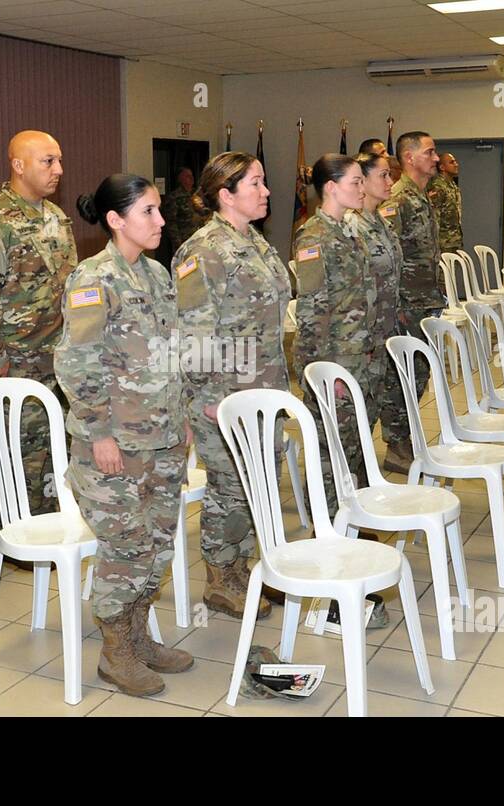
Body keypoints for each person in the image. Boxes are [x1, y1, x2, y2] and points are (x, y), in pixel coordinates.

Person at [56, 173, 194, 697]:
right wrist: (98, 433)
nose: (161, 221)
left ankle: (138, 636)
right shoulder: (94, 280)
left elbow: (169, 356)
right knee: (127, 546)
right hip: (112, 444)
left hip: (160, 437)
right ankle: (115, 652)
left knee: (158, 543)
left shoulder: (157, 275)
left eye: (160, 211)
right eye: (149, 213)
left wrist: (179, 416)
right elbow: (76, 362)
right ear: (116, 221)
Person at [174, 151, 290, 620]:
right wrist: (208, 397)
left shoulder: (254, 242)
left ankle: (243, 566)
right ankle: (221, 577)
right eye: (256, 184)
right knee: (230, 488)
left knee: (256, 483)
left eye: (263, 183)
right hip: (223, 396)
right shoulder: (204, 251)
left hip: (263, 390)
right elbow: (192, 332)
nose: (266, 192)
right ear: (226, 194)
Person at [0, 130, 78, 521]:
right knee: (23, 451)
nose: (58, 170)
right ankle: (18, 529)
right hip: (17, 360)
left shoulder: (57, 218)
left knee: (58, 445)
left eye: (59, 160)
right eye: (48, 161)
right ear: (18, 165)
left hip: (58, 357)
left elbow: (71, 285)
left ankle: (52, 521)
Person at [292, 154, 374, 513]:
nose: (362, 188)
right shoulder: (313, 237)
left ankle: (346, 516)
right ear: (330, 187)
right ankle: (323, 523)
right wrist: (322, 372)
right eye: (355, 182)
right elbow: (311, 312)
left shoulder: (348, 229)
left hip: (357, 355)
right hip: (333, 361)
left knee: (351, 444)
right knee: (329, 446)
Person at [382, 130, 441, 473]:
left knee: (418, 374)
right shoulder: (399, 199)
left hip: (423, 301)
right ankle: (396, 443)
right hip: (406, 305)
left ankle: (406, 436)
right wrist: (398, 307)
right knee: (401, 375)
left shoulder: (421, 196)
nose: (435, 158)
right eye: (430, 152)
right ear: (410, 158)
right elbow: (390, 257)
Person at [346, 152, 407, 473]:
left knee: (368, 415)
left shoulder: (379, 221)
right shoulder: (350, 227)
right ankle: (339, 495)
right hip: (361, 341)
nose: (390, 181)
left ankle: (359, 484)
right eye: (382, 175)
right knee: (351, 425)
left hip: (382, 334)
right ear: (363, 181)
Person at [162, 166, 206, 258]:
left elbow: (207, 215)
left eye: (192, 175)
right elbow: (171, 223)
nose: (192, 178)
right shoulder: (174, 197)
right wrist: (178, 244)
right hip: (185, 241)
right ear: (180, 179)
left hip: (201, 241)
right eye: (187, 176)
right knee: (186, 270)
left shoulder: (197, 195)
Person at [428, 152, 463, 253]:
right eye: (452, 162)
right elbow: (434, 217)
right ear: (442, 167)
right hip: (442, 243)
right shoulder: (438, 187)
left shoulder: (453, 185)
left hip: (454, 240)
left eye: (455, 161)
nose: (456, 164)